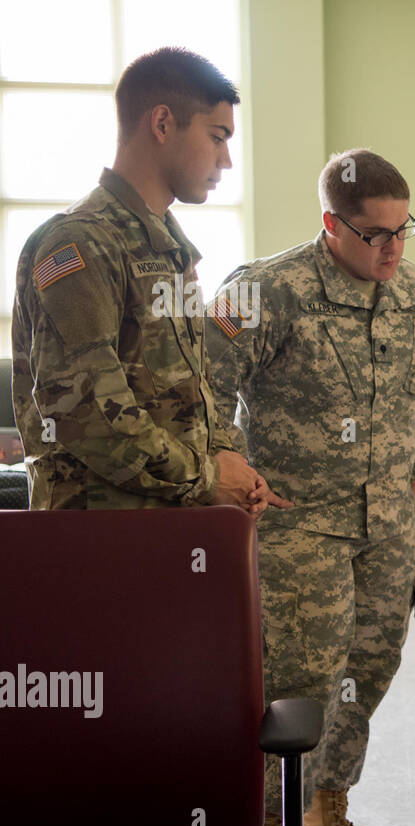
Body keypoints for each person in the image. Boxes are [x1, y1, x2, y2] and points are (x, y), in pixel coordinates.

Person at [205, 149, 415, 826]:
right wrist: (230, 463)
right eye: (376, 234)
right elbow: (199, 384)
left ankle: (326, 819)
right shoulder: (268, 292)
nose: (394, 248)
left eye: (405, 230)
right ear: (331, 225)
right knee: (298, 688)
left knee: (365, 676)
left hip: (387, 533)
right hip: (297, 529)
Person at [9, 47, 277, 514]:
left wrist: (232, 462)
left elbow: (194, 388)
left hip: (170, 523)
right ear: (162, 124)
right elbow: (86, 412)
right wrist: (208, 477)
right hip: (99, 534)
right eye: (217, 137)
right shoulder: (78, 243)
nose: (227, 160)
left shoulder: (168, 245)